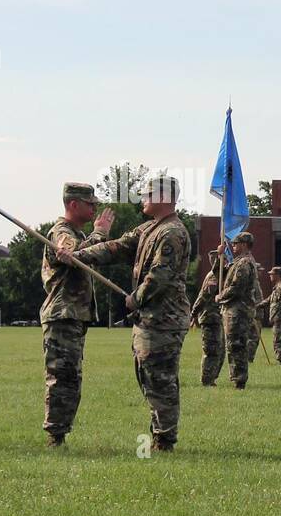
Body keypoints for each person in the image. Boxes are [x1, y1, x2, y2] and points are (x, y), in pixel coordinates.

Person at [66, 175, 191, 451]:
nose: (142, 199)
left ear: (163, 197)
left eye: (147, 194)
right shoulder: (149, 229)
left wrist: (137, 298)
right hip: (149, 320)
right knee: (147, 376)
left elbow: (161, 275)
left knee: (161, 380)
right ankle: (159, 435)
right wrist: (79, 255)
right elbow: (117, 247)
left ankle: (164, 440)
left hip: (164, 320)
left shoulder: (172, 232)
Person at [40, 182, 115, 446]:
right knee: (62, 377)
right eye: (90, 203)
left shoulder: (75, 232)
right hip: (63, 315)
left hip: (72, 316)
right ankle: (55, 437)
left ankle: (59, 434)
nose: (95, 207)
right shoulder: (62, 232)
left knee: (70, 376)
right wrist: (99, 234)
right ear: (73, 204)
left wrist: (94, 235)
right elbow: (74, 256)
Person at [216, 231, 258, 389]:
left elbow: (236, 287)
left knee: (236, 346)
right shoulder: (239, 261)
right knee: (233, 345)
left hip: (238, 311)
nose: (233, 246)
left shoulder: (244, 263)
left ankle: (239, 381)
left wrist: (220, 297)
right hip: (235, 310)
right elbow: (219, 273)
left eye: (236, 243)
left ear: (245, 245)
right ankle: (237, 379)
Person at [191, 253, 224, 386]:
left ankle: (211, 378)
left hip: (216, 318)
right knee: (211, 351)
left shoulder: (221, 275)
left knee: (219, 351)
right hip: (209, 317)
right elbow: (203, 297)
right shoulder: (213, 276)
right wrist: (194, 313)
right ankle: (207, 380)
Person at [261, 266, 281, 364]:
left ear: (277, 275)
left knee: (279, 340)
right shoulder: (277, 287)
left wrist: (277, 313)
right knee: (277, 339)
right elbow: (270, 299)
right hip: (277, 318)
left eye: (272, 274)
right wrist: (258, 305)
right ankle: (280, 360)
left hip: (280, 319)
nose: (270, 276)